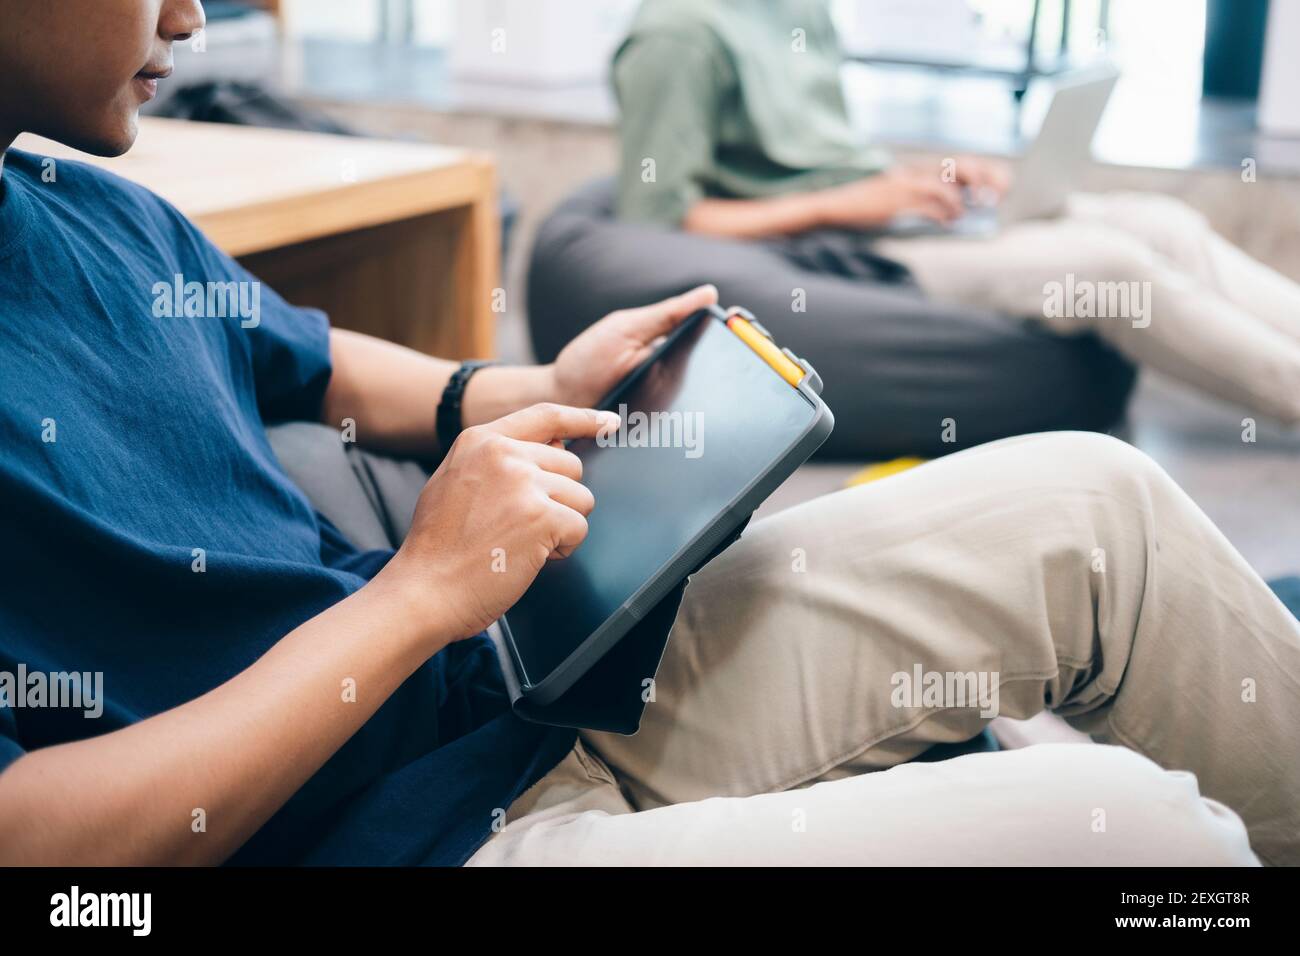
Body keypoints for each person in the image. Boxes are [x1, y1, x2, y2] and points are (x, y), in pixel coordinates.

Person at [0, 0, 1295, 867]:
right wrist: (419, 594)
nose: (188, 13)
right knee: (1137, 838)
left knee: (1095, 507)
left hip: (500, 702)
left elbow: (314, 360)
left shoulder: (92, 209)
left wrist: (516, 387)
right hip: (406, 840)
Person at [613, 0, 1300, 426]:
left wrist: (920, 181)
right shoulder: (676, 35)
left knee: (1162, 224)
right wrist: (844, 203)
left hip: (880, 215)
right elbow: (655, 221)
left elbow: (820, 153)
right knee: (1110, 267)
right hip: (832, 252)